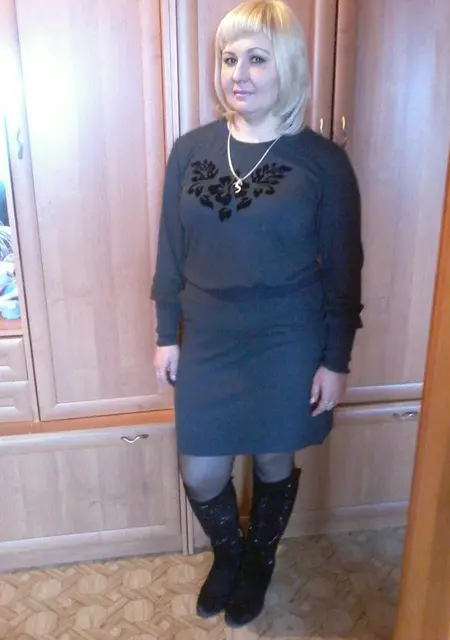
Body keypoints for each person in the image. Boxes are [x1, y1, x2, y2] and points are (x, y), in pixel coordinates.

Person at [151, 0, 363, 628]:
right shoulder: (190, 151)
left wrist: (336, 360)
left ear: (287, 67)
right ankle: (230, 553)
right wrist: (166, 333)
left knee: (274, 458)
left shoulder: (323, 162)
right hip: (209, 336)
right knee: (201, 469)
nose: (238, 74)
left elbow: (344, 269)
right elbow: (169, 250)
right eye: (228, 58)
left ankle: (260, 560)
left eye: (257, 59)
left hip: (288, 338)